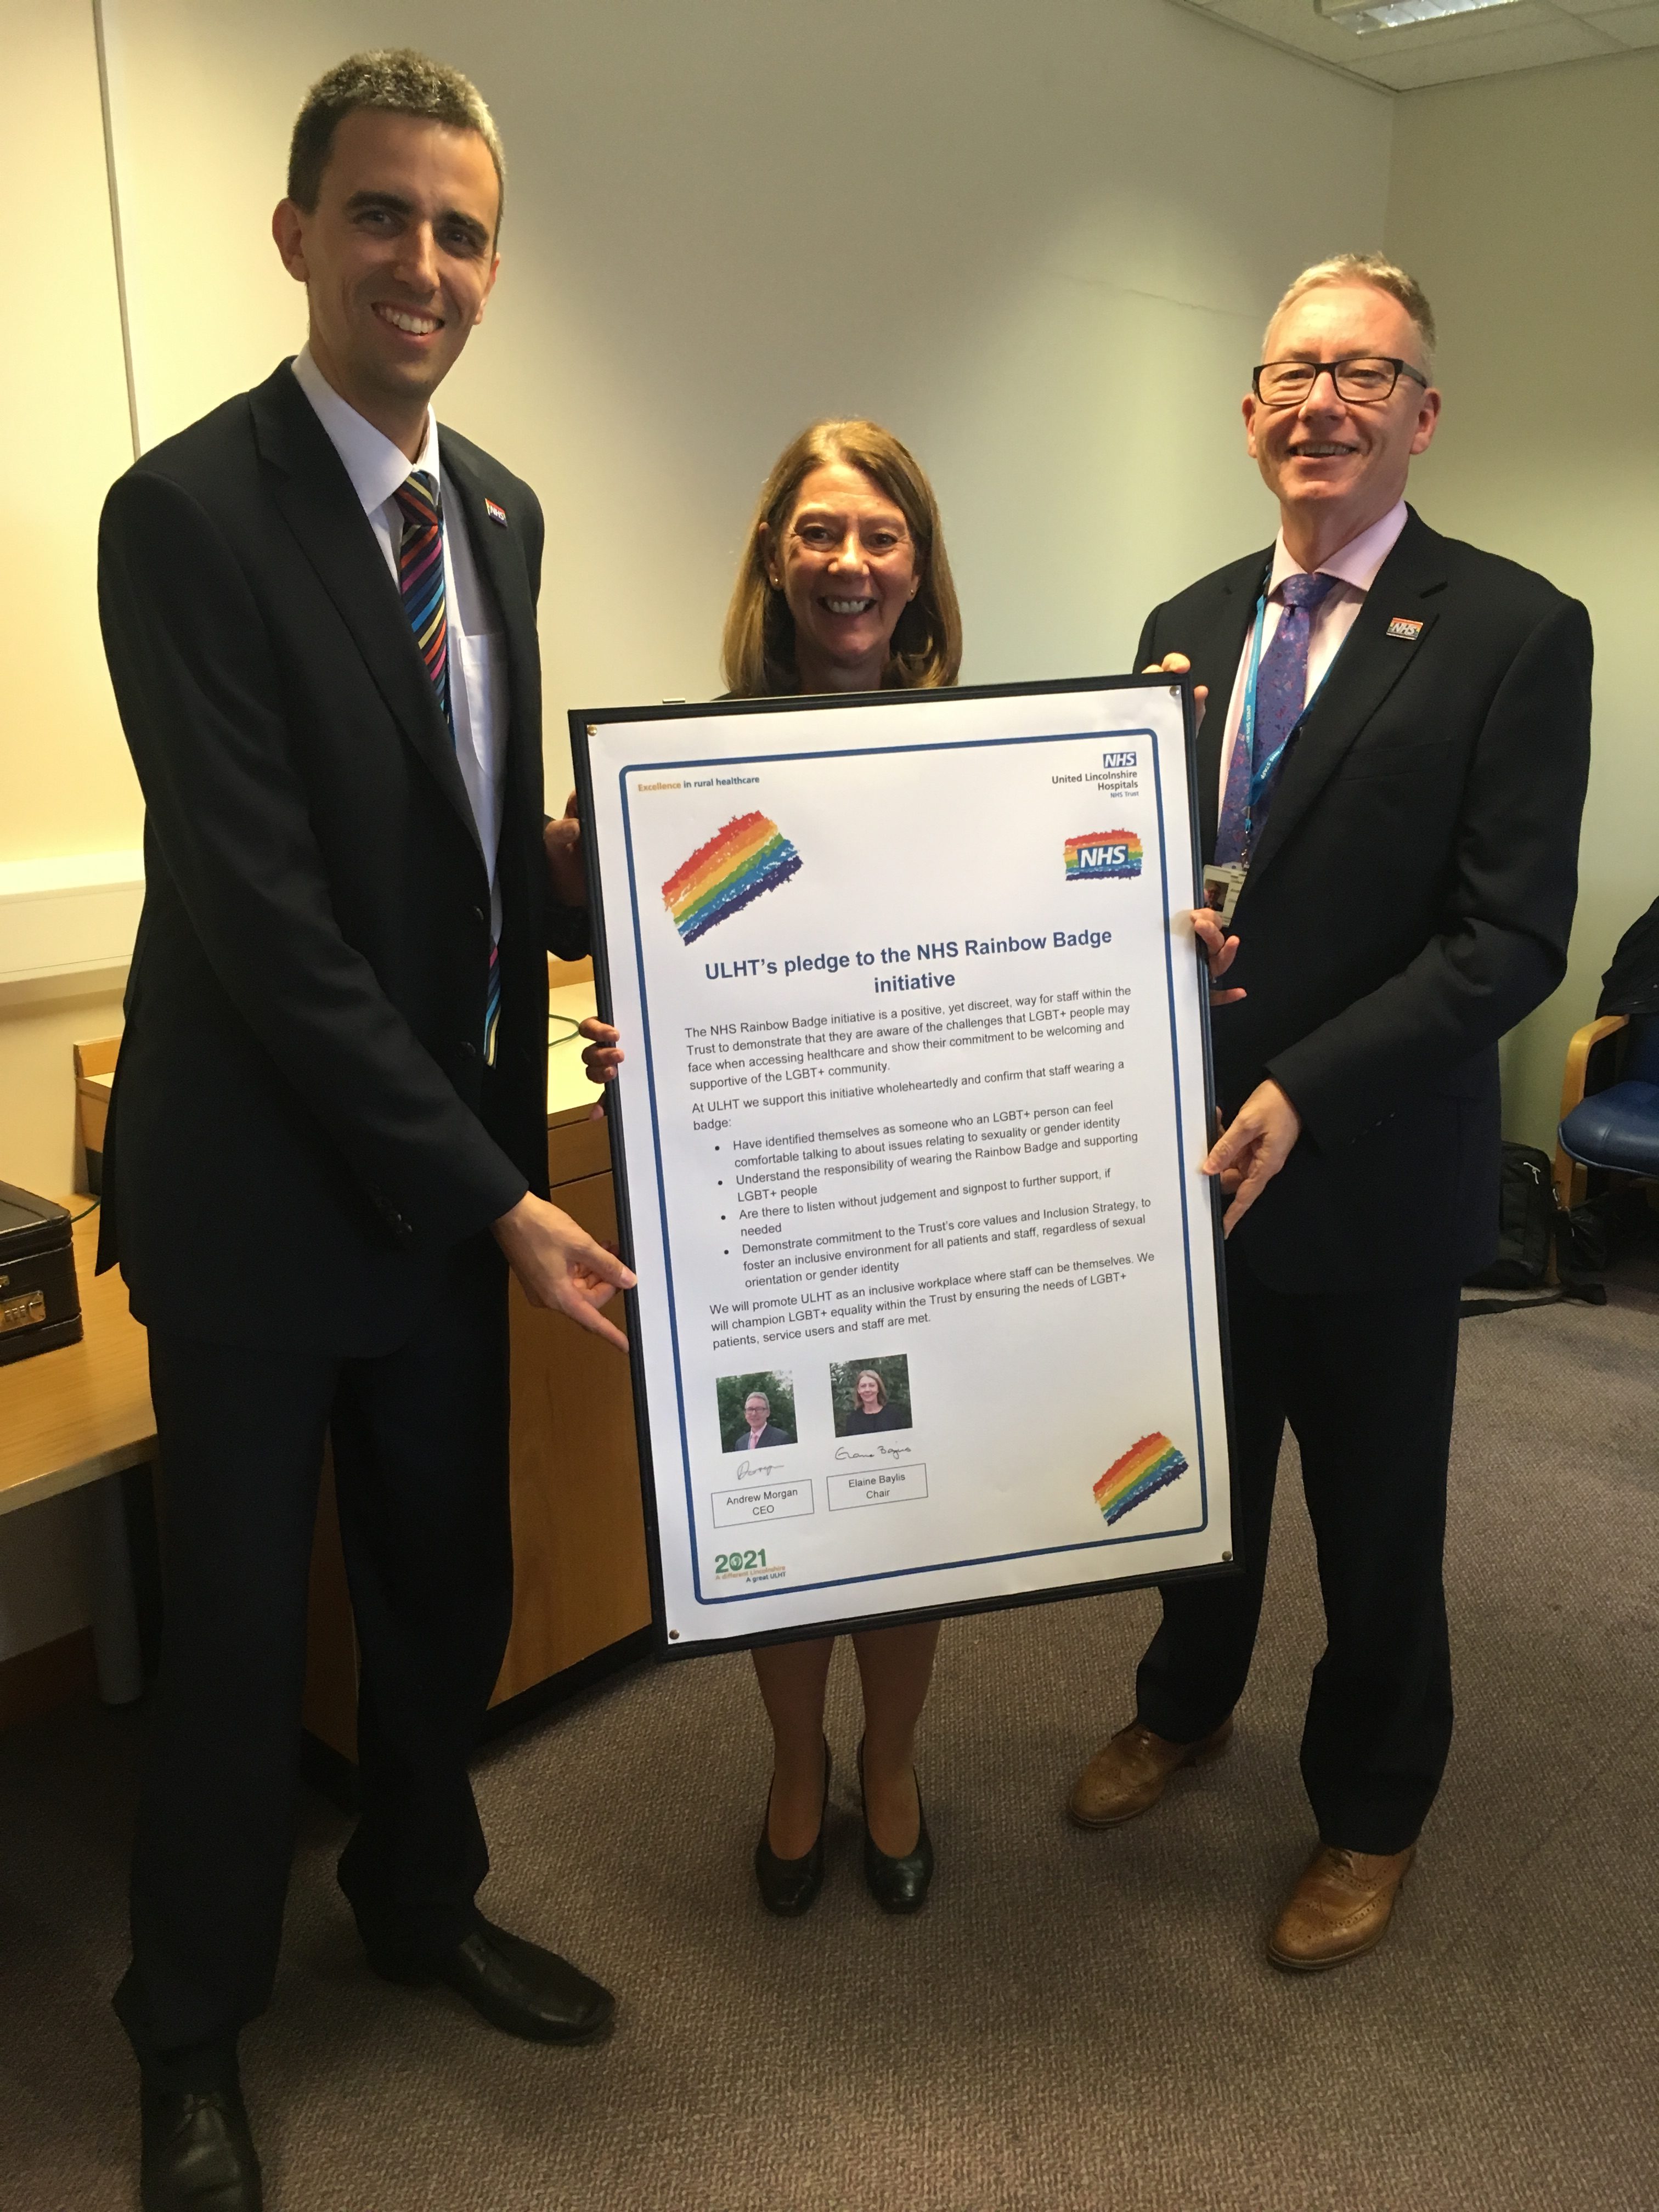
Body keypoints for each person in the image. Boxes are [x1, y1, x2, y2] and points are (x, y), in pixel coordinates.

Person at [95, 52, 635, 2211]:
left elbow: (478, 851)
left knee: (443, 1586)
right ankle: (190, 2030)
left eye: (465, 230)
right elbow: (270, 920)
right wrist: (506, 1191)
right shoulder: (186, 515)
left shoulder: (493, 509)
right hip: (261, 1204)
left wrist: (739, 879)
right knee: (235, 1645)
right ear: (301, 234)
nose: (428, 264)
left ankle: (419, 1903)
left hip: (441, 1194)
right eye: (388, 217)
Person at [1066, 254, 1591, 1970]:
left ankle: (1369, 1812)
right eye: (1296, 372)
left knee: (1379, 1523)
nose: (1325, 402)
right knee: (1196, 1479)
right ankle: (1184, 1701)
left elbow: (1506, 937)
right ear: (1249, 415)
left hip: (1365, 1161)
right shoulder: (1184, 623)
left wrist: (1306, 1080)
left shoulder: (1514, 628)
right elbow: (1148, 878)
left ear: (1424, 413)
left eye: (1367, 375)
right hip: (1190, 1164)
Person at [729, 420, 961, 1916]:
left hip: (919, 1194)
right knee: (787, 1488)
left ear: (920, 569)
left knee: (904, 1499)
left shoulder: (976, 763)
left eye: (880, 536)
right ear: (775, 559)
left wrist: (1144, 969)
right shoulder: (700, 765)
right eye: (819, 533)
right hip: (773, 1207)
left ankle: (890, 1756)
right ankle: (796, 1757)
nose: (850, 564)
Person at [839, 1369, 909, 1436]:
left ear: (878, 1388)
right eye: (863, 1386)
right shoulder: (852, 1420)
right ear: (858, 1390)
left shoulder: (893, 1415)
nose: (867, 1390)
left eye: (872, 1385)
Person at [730, 1390, 795, 1452]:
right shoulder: (740, 1443)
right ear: (745, 1414)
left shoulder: (781, 1438)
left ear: (768, 1412)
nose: (754, 1414)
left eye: (759, 1409)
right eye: (750, 1409)